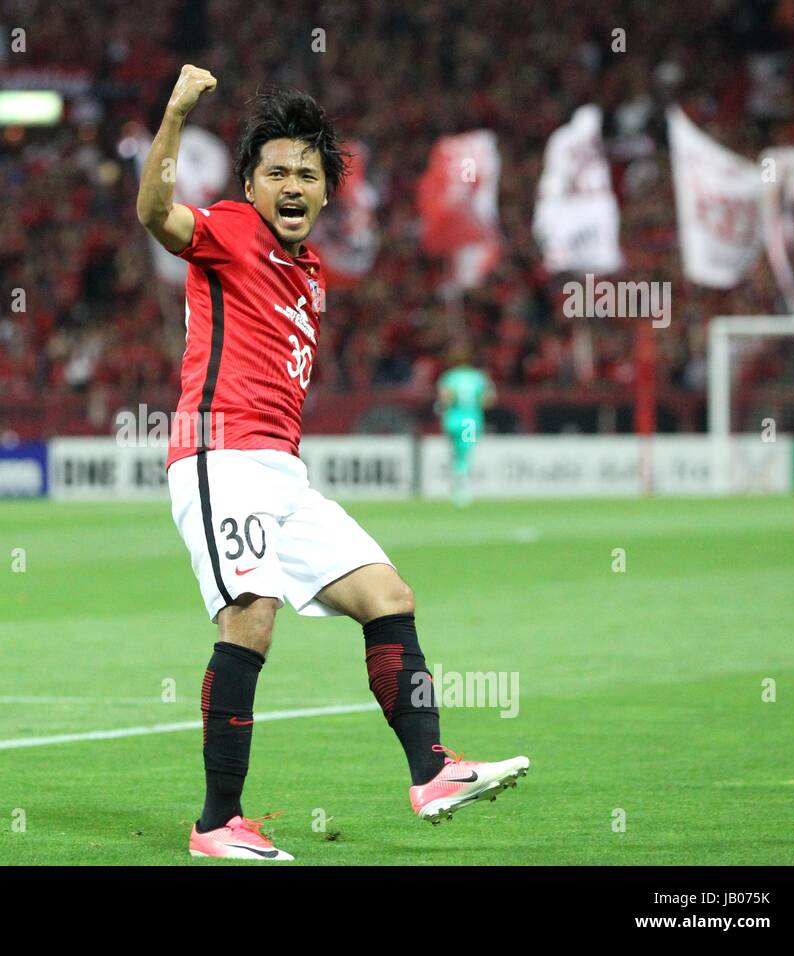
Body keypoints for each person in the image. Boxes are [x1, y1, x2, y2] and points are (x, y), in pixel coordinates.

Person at [137, 66, 528, 861]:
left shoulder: (312, 276)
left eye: (307, 175)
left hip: (283, 472)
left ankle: (432, 772)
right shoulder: (229, 229)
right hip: (220, 456)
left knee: (388, 594)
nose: (291, 185)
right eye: (276, 171)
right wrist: (176, 114)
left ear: (324, 195)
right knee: (251, 616)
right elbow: (153, 212)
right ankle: (216, 825)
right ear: (249, 184)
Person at [436, 351, 496, 507]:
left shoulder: (449, 377)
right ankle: (461, 489)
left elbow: (445, 399)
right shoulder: (479, 377)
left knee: (455, 453)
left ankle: (456, 486)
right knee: (465, 454)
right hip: (470, 422)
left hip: (452, 420)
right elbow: (488, 400)